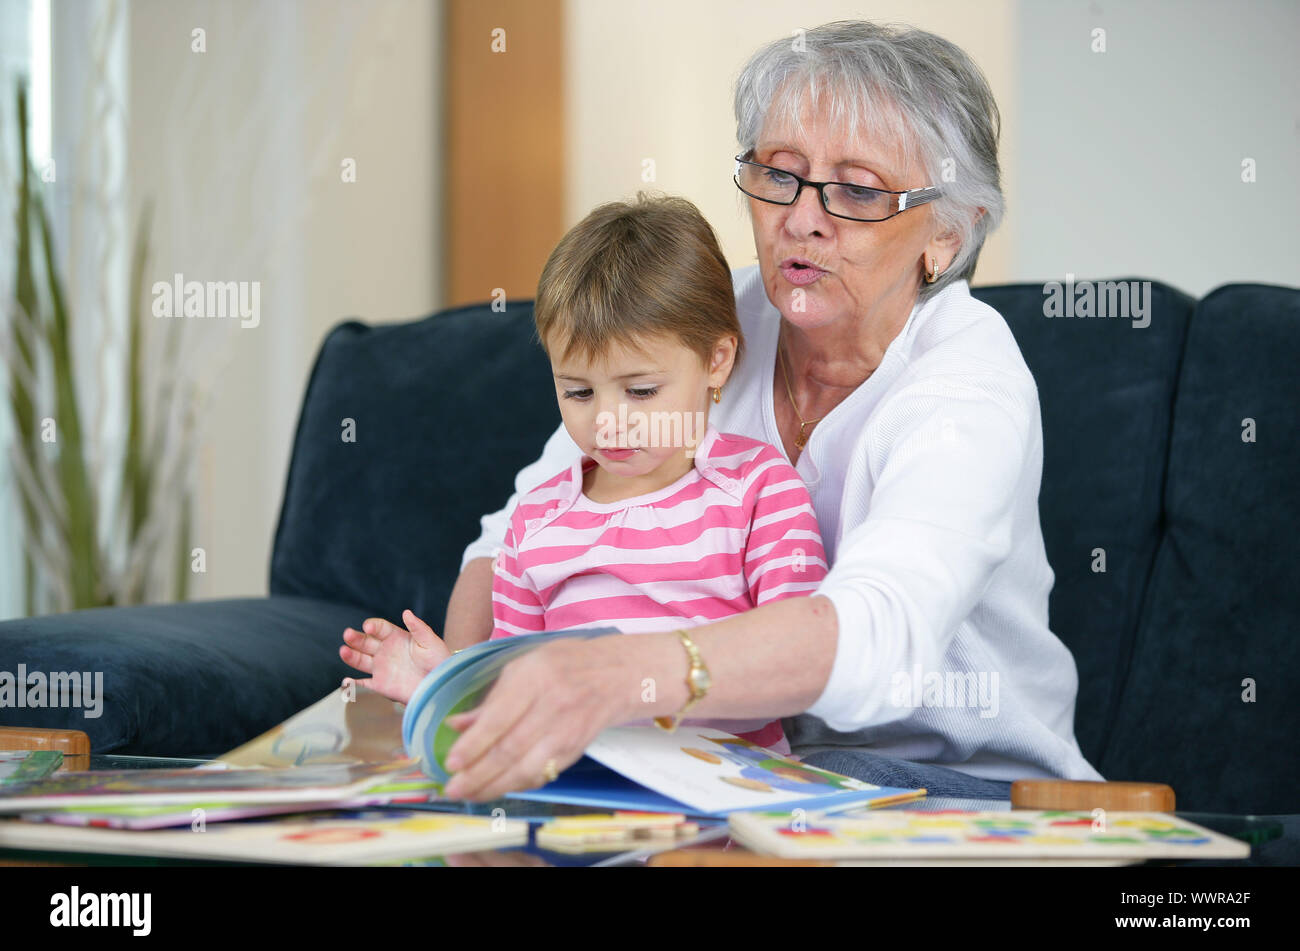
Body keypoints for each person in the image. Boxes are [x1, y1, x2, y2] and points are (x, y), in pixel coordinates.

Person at [342, 20, 1104, 802]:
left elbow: (883, 637)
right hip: (741, 768)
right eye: (780, 173)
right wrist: (470, 721)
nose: (802, 219)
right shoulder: (706, 322)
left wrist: (618, 675)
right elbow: (512, 536)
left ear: (949, 232)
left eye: (858, 189)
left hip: (953, 784)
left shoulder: (965, 381)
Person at [342, 193, 829, 756]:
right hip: (576, 793)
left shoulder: (759, 490)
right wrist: (446, 680)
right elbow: (516, 686)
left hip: (722, 793)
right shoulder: (537, 521)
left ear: (716, 360)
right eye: (577, 391)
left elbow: (798, 665)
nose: (608, 422)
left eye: (641, 391)